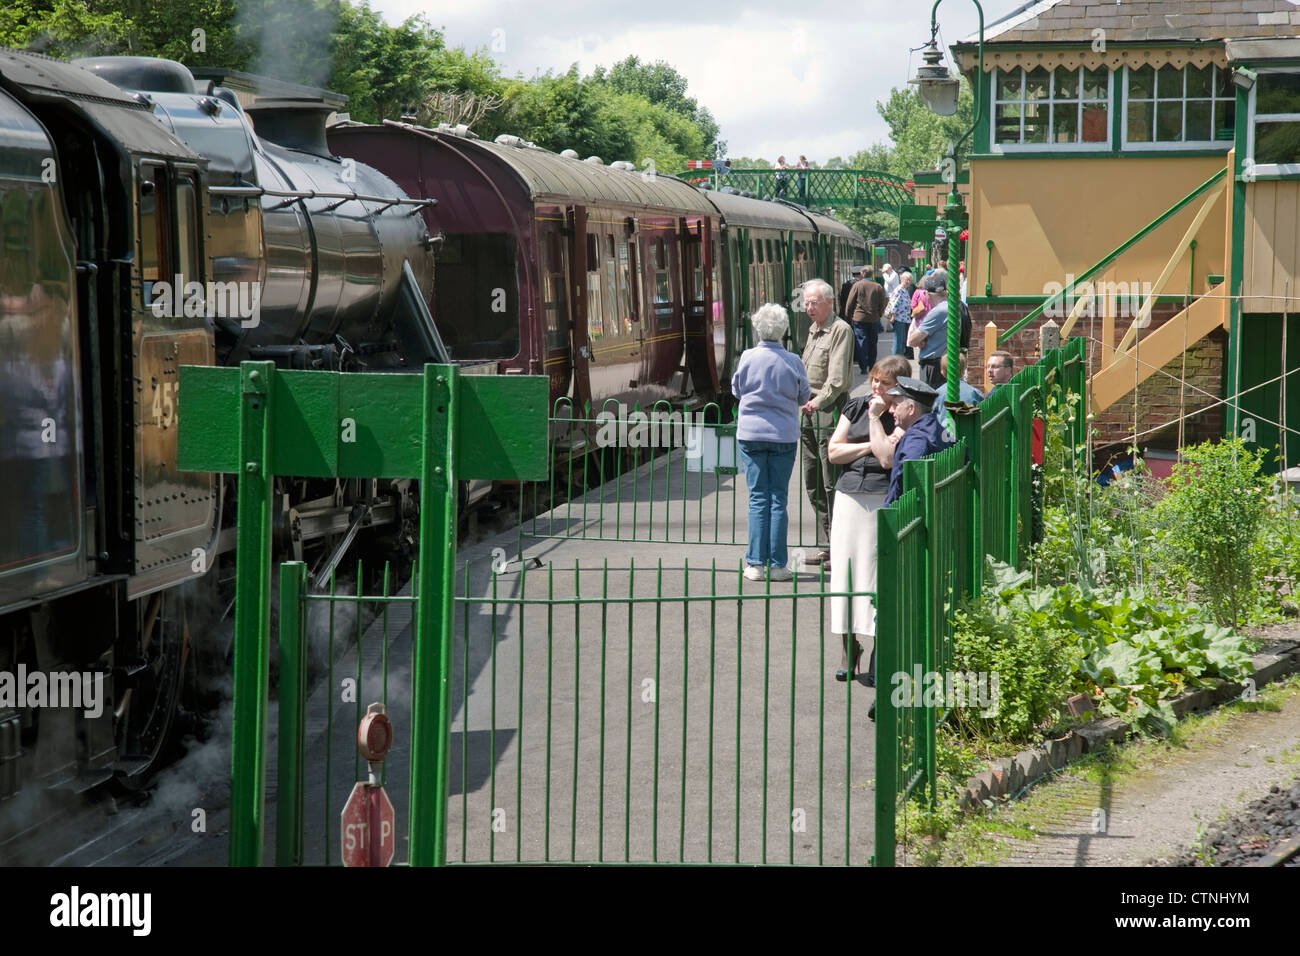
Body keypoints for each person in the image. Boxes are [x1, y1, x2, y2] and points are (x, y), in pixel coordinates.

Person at [826, 354, 911, 683]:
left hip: (880, 497)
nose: (876, 386)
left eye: (884, 383)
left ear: (898, 387)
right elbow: (834, 452)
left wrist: (875, 432)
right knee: (845, 576)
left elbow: (888, 461)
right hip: (848, 496)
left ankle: (879, 652)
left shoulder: (901, 412)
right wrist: (866, 447)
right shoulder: (856, 406)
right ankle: (850, 649)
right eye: (874, 379)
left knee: (874, 577)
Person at [731, 303, 810, 582]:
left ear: (757, 328)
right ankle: (778, 565)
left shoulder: (747, 357)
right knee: (778, 499)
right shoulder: (793, 361)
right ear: (783, 330)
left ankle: (754, 564)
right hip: (783, 436)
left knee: (757, 498)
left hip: (751, 435)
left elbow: (737, 389)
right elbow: (803, 397)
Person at [798, 278, 854, 565]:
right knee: (812, 480)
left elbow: (837, 379)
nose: (809, 307)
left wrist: (817, 402)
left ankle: (840, 544)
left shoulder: (839, 330)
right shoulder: (813, 330)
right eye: (806, 302)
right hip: (807, 413)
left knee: (831, 480)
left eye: (814, 302)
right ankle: (826, 544)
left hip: (828, 411)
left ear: (829, 303)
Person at [884, 377, 958, 506]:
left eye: (896, 405)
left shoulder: (916, 439)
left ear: (911, 408)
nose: (891, 410)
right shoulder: (937, 429)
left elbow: (908, 478)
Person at [908, 270, 949, 389]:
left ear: (928, 294)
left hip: (933, 365)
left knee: (929, 402)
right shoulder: (950, 306)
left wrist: (920, 340)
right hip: (942, 361)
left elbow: (912, 340)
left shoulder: (937, 312)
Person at [843, 265, 887, 375]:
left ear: (862, 274)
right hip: (874, 319)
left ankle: (863, 367)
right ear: (871, 274)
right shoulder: (878, 287)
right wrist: (879, 314)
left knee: (861, 342)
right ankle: (872, 366)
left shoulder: (857, 285)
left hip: (859, 318)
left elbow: (850, 302)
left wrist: (848, 316)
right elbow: (883, 303)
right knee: (873, 343)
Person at [888, 271, 914, 358]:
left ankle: (899, 358)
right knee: (898, 340)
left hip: (904, 318)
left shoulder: (904, 290)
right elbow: (894, 303)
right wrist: (893, 316)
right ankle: (895, 359)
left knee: (902, 341)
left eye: (910, 280)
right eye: (907, 280)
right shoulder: (899, 289)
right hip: (899, 318)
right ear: (902, 279)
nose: (908, 282)